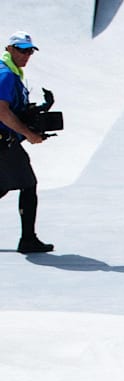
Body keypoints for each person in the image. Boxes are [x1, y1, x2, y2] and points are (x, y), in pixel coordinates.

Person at [0, 30, 52, 253]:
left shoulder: (12, 73)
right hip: (3, 142)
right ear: (9, 49)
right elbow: (1, 112)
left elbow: (12, 108)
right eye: (21, 50)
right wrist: (28, 134)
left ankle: (28, 239)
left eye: (29, 51)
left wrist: (37, 111)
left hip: (6, 141)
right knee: (28, 184)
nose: (26, 55)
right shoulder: (5, 75)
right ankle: (28, 240)